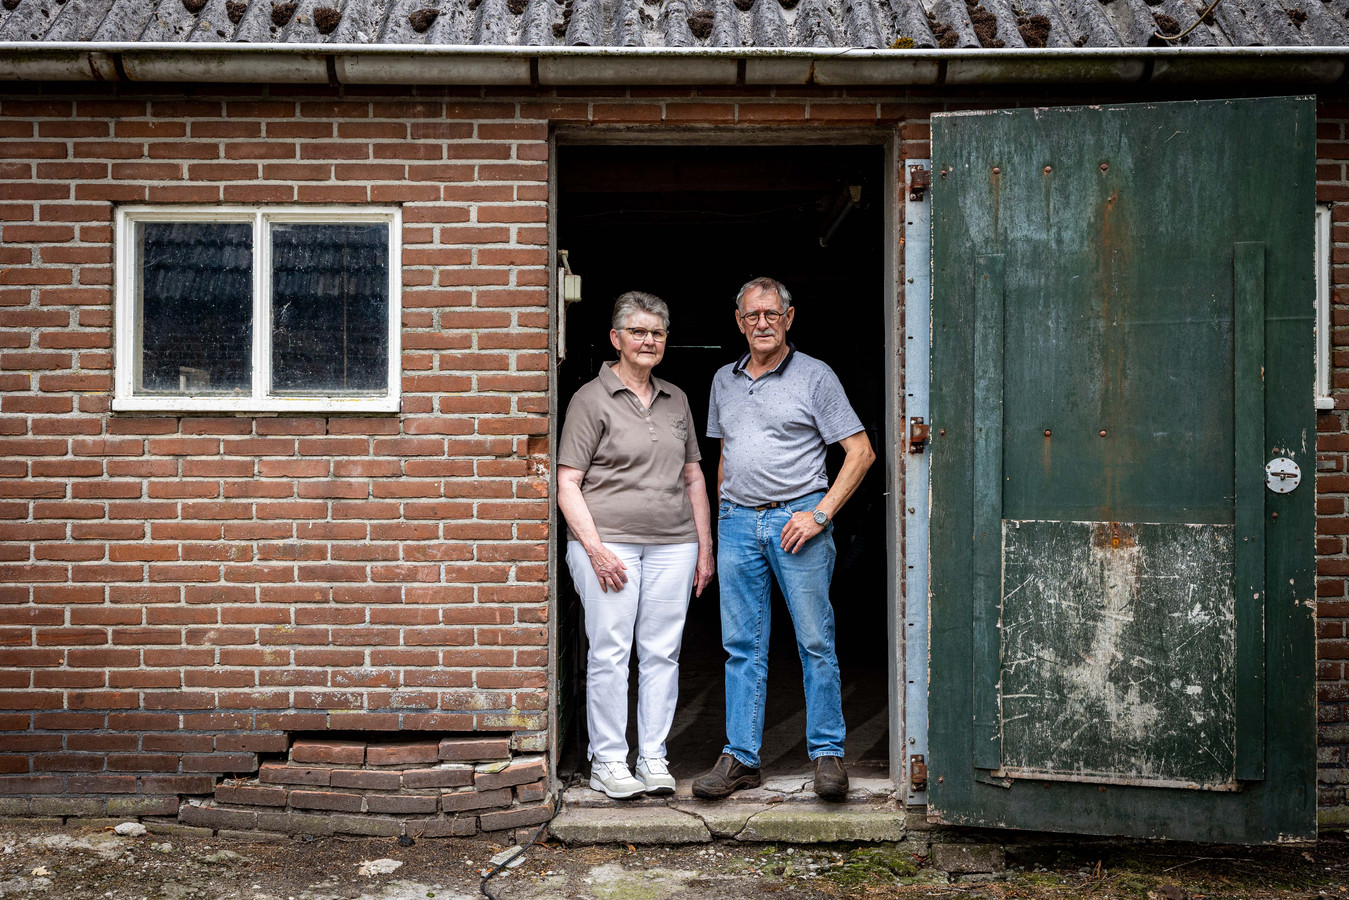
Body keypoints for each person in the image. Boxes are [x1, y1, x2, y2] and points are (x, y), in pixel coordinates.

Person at [693, 276, 875, 802]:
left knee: (814, 641)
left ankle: (826, 754)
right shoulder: (723, 380)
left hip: (799, 523)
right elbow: (726, 453)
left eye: (772, 314)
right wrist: (725, 511)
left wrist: (818, 514)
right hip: (739, 524)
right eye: (752, 316)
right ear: (739, 321)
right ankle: (742, 758)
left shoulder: (816, 376)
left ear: (789, 318)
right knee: (740, 646)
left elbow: (860, 452)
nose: (762, 324)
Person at [558, 291, 715, 799]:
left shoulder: (677, 399)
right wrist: (596, 549)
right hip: (610, 545)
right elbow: (566, 483)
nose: (649, 340)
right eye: (638, 331)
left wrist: (704, 547)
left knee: (662, 654)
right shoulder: (590, 398)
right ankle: (607, 760)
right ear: (616, 339)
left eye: (658, 333)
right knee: (609, 651)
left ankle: (652, 755)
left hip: (674, 544)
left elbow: (694, 477)